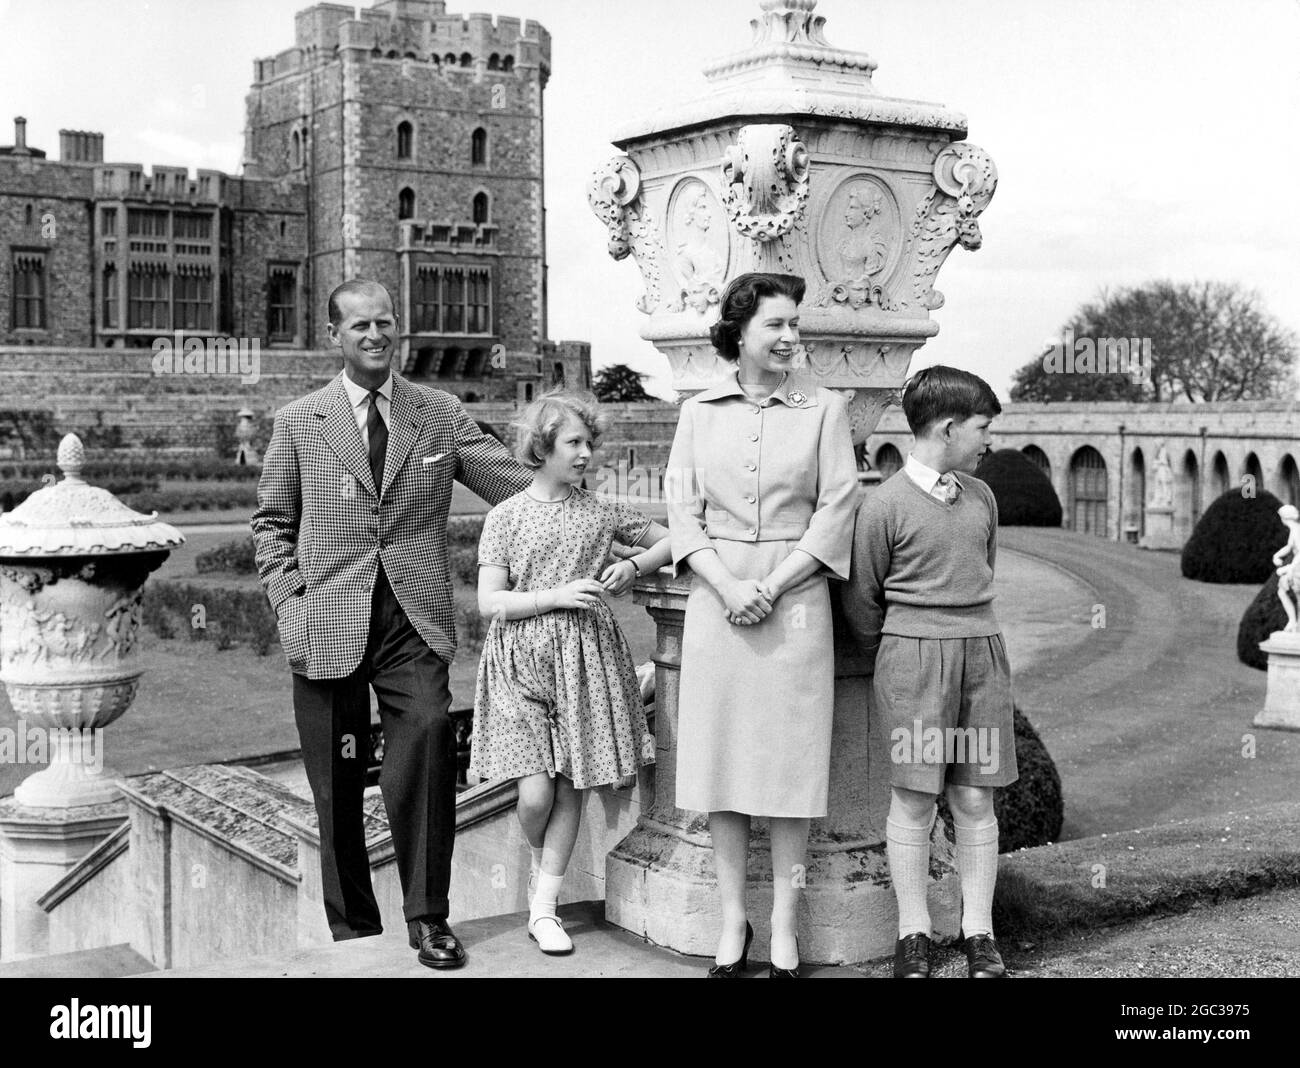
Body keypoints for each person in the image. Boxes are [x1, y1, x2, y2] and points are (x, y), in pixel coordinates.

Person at [251, 279, 530, 969]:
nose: (375, 336)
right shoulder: (300, 421)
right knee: (338, 783)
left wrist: (628, 525)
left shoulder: (437, 413)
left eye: (384, 323)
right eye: (359, 327)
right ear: (334, 337)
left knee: (430, 740)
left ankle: (428, 918)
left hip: (412, 617)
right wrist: (291, 606)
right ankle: (353, 931)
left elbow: (522, 490)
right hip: (327, 620)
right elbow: (271, 525)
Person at [666, 272, 858, 978]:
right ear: (739, 331)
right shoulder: (698, 413)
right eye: (776, 324)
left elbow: (837, 508)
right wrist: (725, 584)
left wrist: (772, 585)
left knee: (788, 770)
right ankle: (732, 922)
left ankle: (783, 926)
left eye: (794, 325)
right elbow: (683, 511)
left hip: (796, 606)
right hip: (717, 610)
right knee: (718, 767)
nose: (789, 337)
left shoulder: (825, 410)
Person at [471, 390, 670, 954]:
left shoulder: (602, 511)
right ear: (542, 447)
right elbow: (490, 602)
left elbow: (674, 538)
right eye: (573, 443)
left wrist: (632, 565)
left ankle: (544, 907)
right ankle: (542, 864)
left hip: (585, 660)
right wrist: (553, 596)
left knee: (571, 783)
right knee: (535, 795)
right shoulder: (505, 515)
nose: (586, 453)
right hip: (519, 661)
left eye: (590, 442)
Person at [841, 365, 1019, 979]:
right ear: (947, 428)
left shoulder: (983, 497)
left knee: (974, 795)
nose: (989, 440)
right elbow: (863, 601)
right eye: (982, 428)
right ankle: (912, 933)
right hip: (913, 662)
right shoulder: (883, 505)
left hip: (981, 656)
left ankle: (979, 935)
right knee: (916, 797)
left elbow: (980, 571)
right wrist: (900, 653)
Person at [1273, 503, 1300, 632]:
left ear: (1284, 518)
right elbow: (1289, 547)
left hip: (1298, 568)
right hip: (1296, 567)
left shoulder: (1297, 531)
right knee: (1283, 591)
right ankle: (1293, 622)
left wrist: (1290, 568)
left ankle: (1294, 623)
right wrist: (1276, 555)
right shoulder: (1294, 530)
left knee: (1288, 593)